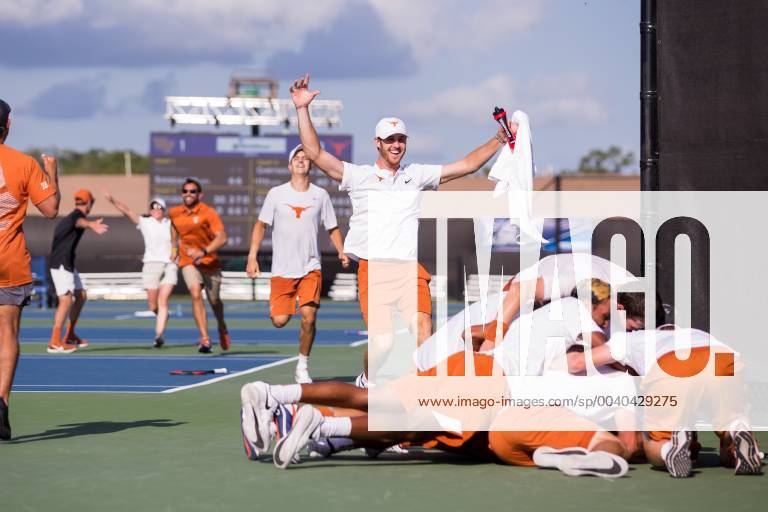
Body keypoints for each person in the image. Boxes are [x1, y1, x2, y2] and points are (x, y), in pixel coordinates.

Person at [289, 74, 508, 383]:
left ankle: (424, 404)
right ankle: (366, 380)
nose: (396, 145)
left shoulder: (416, 175)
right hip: (374, 271)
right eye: (390, 140)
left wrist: (499, 139)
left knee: (423, 336)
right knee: (383, 345)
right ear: (377, 143)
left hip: (408, 271)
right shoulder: (358, 176)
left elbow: (468, 164)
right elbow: (314, 154)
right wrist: (302, 109)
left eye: (401, 139)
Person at [566, 326, 764, 477]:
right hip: (722, 358)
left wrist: (556, 360)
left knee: (655, 444)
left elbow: (577, 363)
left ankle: (670, 448)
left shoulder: (632, 338)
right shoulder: (697, 333)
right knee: (730, 431)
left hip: (671, 365)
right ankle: (738, 428)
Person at [246, 145, 349, 383]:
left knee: (309, 317)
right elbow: (261, 225)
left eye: (305, 158)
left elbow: (332, 227)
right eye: (297, 158)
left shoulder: (320, 195)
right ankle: (283, 307)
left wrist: (342, 251)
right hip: (282, 269)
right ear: (290, 166)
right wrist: (252, 256)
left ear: (311, 164)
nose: (301, 161)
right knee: (280, 321)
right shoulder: (276, 194)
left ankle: (302, 365)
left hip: (310, 268)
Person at [0, 99, 60, 440]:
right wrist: (52, 172)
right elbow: (51, 209)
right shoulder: (23, 164)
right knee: (7, 331)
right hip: (8, 259)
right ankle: (2, 403)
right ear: (8, 125)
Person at [105, 193, 177, 348]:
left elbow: (181, 240)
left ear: (164, 209)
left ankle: (159, 335)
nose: (156, 209)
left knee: (163, 300)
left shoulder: (171, 223)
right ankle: (162, 316)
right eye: (153, 207)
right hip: (151, 265)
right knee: (153, 305)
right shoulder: (145, 222)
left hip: (170, 265)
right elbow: (127, 211)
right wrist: (112, 200)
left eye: (159, 207)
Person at [169, 178, 229, 353]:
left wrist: (203, 252)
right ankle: (205, 338)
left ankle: (221, 325)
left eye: (192, 191)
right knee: (195, 293)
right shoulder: (174, 212)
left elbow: (222, 237)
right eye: (185, 191)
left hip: (209, 261)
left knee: (214, 300)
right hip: (188, 260)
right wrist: (174, 248)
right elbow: (173, 228)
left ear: (199, 194)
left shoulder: (208, 212)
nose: (188, 194)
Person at [47, 189, 108, 353]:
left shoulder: (73, 216)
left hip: (67, 263)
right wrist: (91, 225)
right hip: (60, 263)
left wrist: (89, 224)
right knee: (66, 300)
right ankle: (54, 341)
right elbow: (80, 222)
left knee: (80, 295)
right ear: (88, 203)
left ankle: (70, 334)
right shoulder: (76, 217)